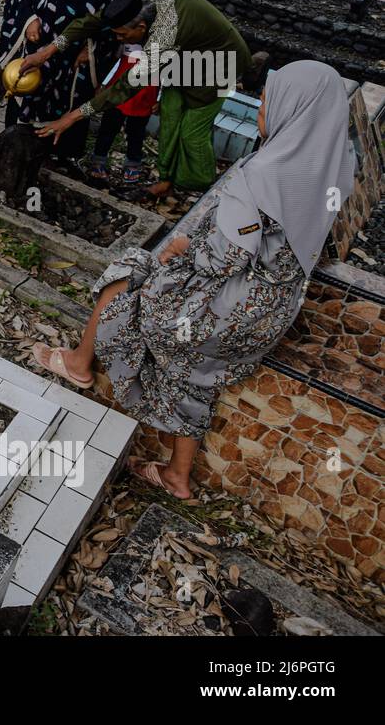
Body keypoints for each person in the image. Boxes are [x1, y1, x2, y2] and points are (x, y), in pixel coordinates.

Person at [30, 61, 356, 499]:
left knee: (130, 268)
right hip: (270, 317)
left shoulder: (263, 174)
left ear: (293, 109)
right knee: (199, 366)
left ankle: (79, 364)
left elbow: (225, 258)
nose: (261, 111)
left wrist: (182, 247)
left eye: (266, 103)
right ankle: (176, 476)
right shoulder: (335, 166)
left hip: (225, 312)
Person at [21, 0, 252, 200]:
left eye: (122, 35)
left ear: (141, 28)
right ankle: (165, 180)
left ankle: (200, 185)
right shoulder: (131, 0)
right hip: (183, 54)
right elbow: (88, 23)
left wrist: (72, 116)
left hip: (220, 61)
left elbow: (127, 86)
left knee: (192, 131)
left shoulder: (163, 37)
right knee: (170, 115)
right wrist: (47, 51)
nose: (118, 39)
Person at [0, 0, 125, 162]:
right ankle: (18, 146)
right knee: (28, 91)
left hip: (75, 57)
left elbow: (114, 19)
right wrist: (29, 19)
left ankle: (60, 155)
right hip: (38, 46)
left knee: (70, 100)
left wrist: (91, 49)